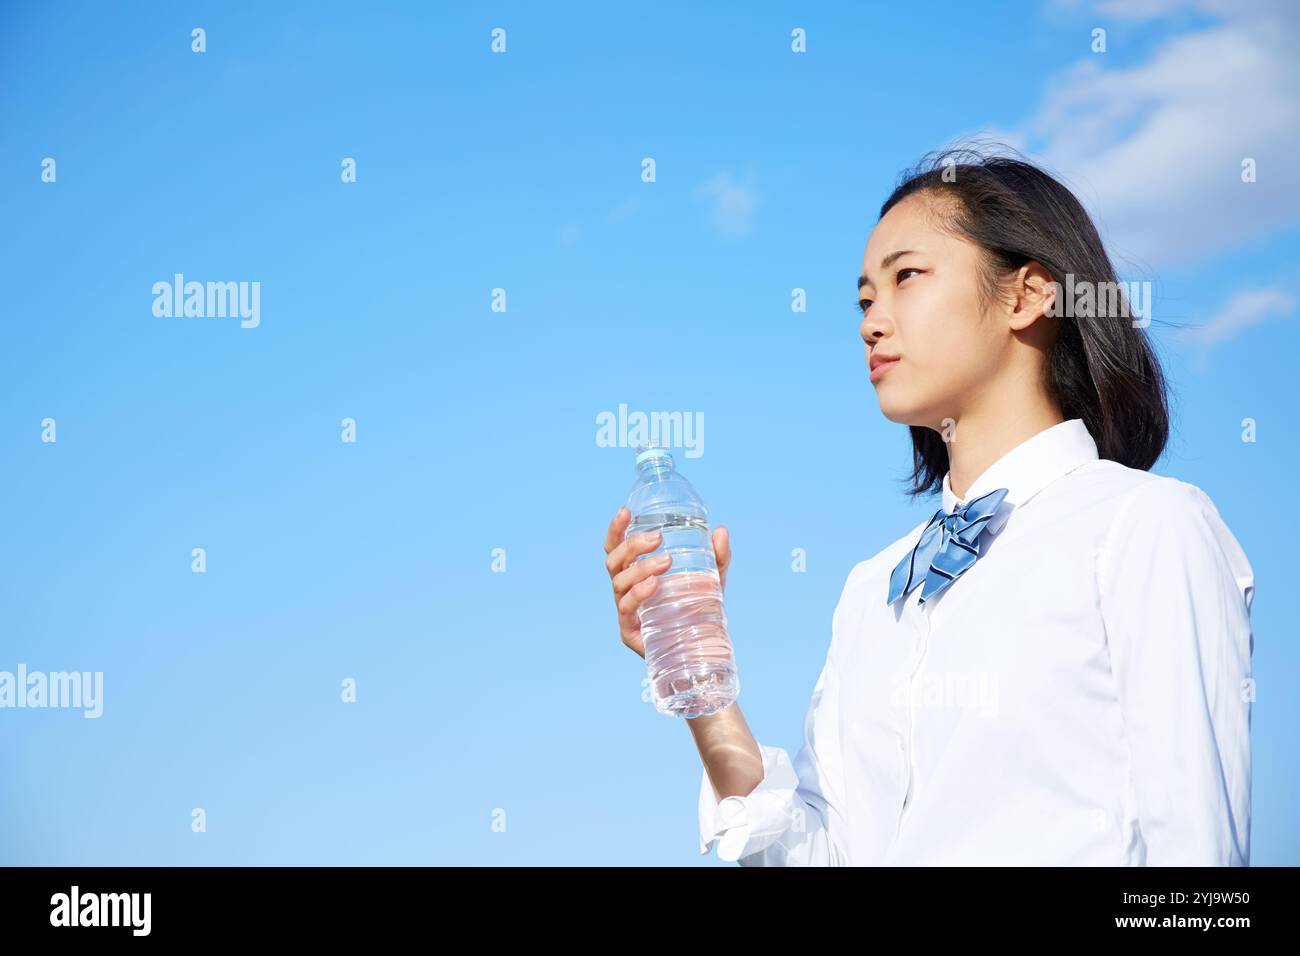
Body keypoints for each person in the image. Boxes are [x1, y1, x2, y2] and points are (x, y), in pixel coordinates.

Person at [601, 147, 1255, 866]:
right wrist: (699, 671)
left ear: (1028, 294)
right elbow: (822, 854)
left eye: (906, 277)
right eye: (863, 299)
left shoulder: (1145, 525)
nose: (870, 322)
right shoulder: (871, 589)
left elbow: (1198, 863)